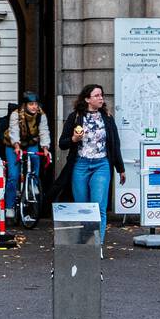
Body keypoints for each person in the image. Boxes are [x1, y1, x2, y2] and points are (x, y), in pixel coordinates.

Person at [56, 83, 125, 240]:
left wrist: (120, 168)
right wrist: (74, 139)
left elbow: (115, 144)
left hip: (101, 164)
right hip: (80, 165)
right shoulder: (75, 117)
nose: (101, 98)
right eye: (97, 95)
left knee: (98, 206)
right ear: (87, 99)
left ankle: (97, 245)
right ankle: (86, 241)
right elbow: (62, 143)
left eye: (101, 95)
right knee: (83, 207)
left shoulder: (107, 118)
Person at [4, 91, 51, 221]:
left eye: (36, 104)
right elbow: (14, 131)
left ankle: (33, 182)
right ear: (25, 105)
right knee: (13, 175)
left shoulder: (41, 115)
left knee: (35, 158)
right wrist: (17, 146)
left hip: (31, 142)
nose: (34, 107)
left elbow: (44, 131)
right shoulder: (16, 115)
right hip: (13, 144)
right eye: (31, 104)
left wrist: (45, 147)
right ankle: (10, 206)